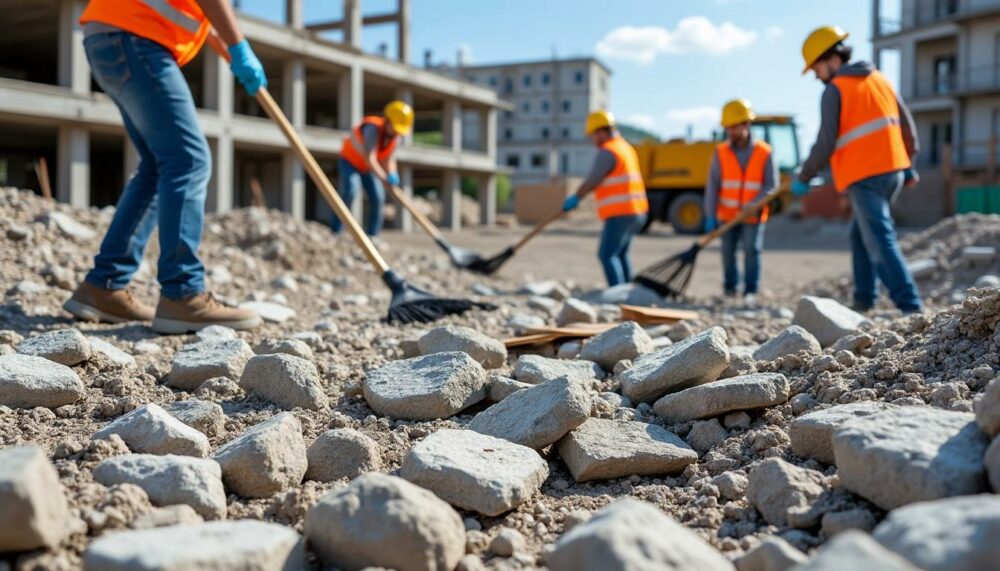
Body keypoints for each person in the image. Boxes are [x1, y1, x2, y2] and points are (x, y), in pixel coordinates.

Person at [63, 0, 267, 334]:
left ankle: (104, 285)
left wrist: (220, 38)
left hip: (110, 34)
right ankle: (183, 293)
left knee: (159, 166)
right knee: (188, 160)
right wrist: (239, 46)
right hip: (135, 37)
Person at [793, 26, 923, 314]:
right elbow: (907, 126)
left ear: (831, 59)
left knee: (879, 238)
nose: (815, 75)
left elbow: (825, 142)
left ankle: (911, 307)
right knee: (860, 234)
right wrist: (909, 166)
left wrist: (804, 176)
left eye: (815, 67)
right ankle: (864, 299)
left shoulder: (834, 90)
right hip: (893, 173)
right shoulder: (880, 79)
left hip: (865, 176)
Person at [561, 111, 649, 286]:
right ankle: (627, 291)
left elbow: (593, 180)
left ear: (601, 132)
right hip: (638, 210)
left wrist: (576, 198)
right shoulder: (626, 147)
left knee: (607, 254)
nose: (592, 140)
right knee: (621, 253)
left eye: (592, 135)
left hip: (621, 212)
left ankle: (617, 293)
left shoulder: (608, 151)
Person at [703, 99, 778, 304]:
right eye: (728, 128)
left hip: (753, 215)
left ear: (746, 124)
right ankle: (730, 288)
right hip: (727, 216)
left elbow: (771, 185)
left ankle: (750, 290)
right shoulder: (721, 152)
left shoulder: (765, 152)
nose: (730, 132)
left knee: (752, 251)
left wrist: (754, 203)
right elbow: (713, 186)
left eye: (734, 127)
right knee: (728, 253)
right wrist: (710, 215)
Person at [333, 101, 415, 237]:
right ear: (387, 121)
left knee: (378, 196)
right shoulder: (372, 129)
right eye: (395, 128)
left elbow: (388, 159)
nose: (396, 132)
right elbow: (369, 158)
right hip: (350, 161)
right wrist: (384, 178)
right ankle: (336, 230)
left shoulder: (395, 137)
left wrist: (393, 174)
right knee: (351, 189)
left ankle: (373, 235)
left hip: (367, 167)